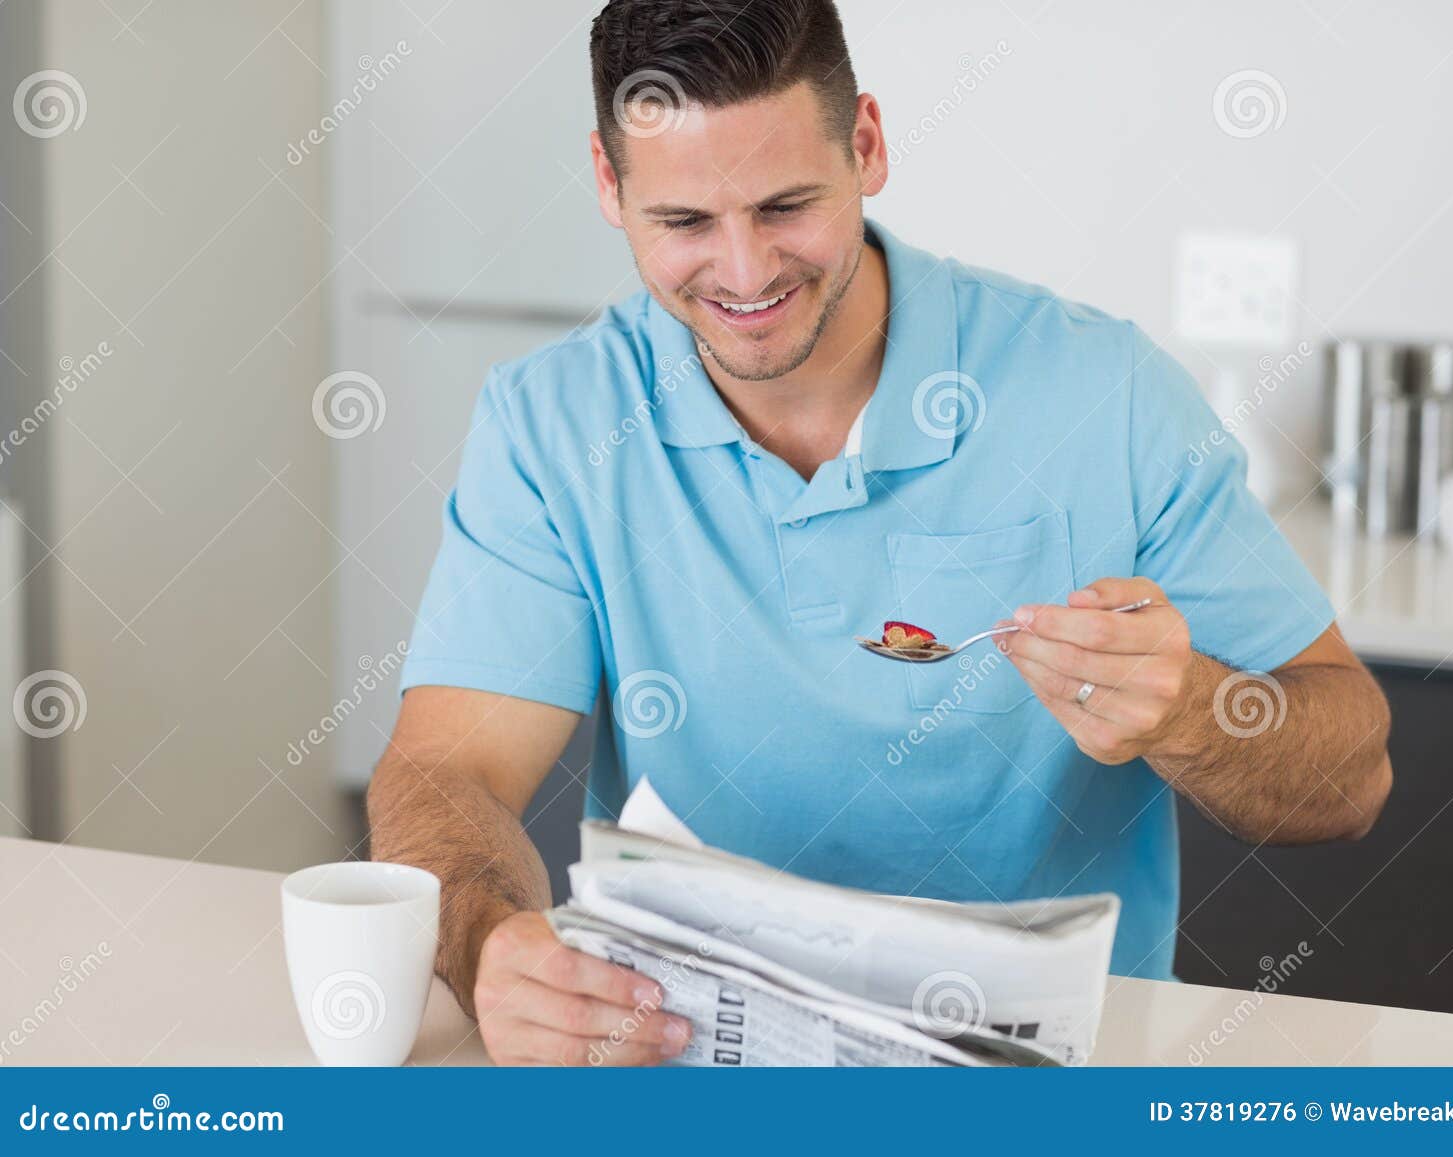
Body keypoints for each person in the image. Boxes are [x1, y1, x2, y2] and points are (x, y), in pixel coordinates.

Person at [367, 0, 1392, 1067]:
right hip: (691, 1060)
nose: (745, 271)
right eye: (683, 223)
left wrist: (1187, 709)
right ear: (606, 182)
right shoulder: (555, 419)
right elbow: (448, 770)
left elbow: (1349, 775)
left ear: (866, 144)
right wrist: (489, 946)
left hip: (1050, 1081)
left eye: (784, 206)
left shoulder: (1104, 392)